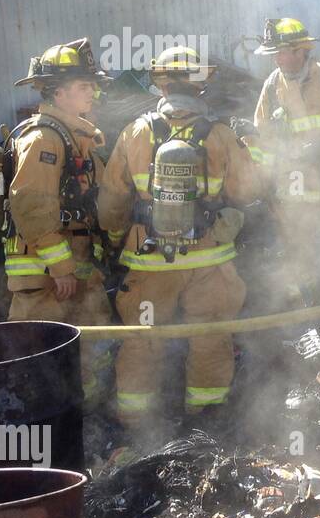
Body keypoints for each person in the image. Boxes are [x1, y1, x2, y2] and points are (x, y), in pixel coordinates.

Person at [98, 47, 261, 430]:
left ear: (160, 86)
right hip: (209, 263)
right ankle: (205, 420)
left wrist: (118, 238)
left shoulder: (135, 132)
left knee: (143, 338)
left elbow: (112, 199)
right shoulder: (220, 134)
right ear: (201, 88)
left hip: (149, 261)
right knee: (210, 337)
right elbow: (245, 191)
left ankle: (135, 422)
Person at [5, 39, 114, 401]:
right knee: (36, 355)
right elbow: (31, 205)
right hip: (44, 274)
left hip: (75, 267)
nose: (93, 93)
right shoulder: (45, 139)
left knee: (90, 341)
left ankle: (85, 416)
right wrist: (61, 267)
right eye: (85, 86)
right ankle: (30, 421)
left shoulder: (75, 136)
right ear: (59, 92)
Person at [251, 17, 320, 305]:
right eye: (274, 53)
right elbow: (262, 138)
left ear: (301, 50)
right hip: (294, 192)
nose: (277, 60)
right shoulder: (272, 86)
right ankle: (308, 311)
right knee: (298, 254)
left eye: (281, 52)